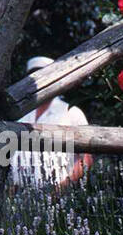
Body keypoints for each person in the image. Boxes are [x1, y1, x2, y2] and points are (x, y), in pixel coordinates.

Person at [13, 56, 93, 188]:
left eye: (44, 75)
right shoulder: (20, 115)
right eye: (33, 77)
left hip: (60, 197)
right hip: (21, 197)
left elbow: (86, 159)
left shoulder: (71, 112)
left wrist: (62, 187)